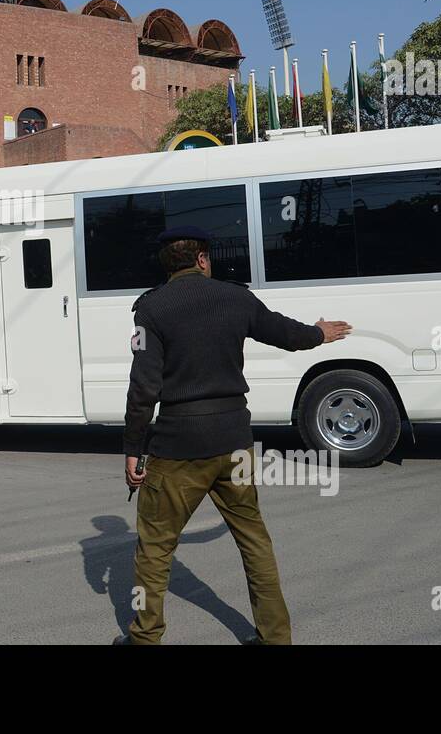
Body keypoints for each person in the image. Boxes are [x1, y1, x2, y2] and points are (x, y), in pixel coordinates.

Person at [119, 225, 352, 646]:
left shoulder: (151, 310)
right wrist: (319, 332)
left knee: (154, 549)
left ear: (166, 264)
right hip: (234, 443)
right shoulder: (235, 297)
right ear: (202, 259)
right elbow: (285, 333)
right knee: (253, 540)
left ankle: (144, 638)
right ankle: (276, 638)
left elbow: (143, 390)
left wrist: (134, 449)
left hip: (178, 448)